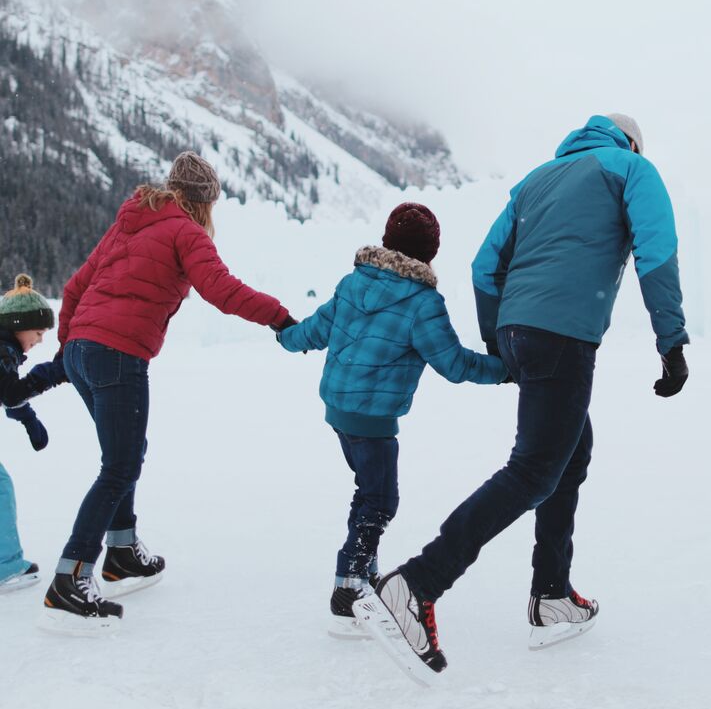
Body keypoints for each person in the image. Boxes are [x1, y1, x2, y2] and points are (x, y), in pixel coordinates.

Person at [355, 114, 690, 677]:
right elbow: (656, 249)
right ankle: (415, 584)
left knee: (570, 450)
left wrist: (500, 340)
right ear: (630, 142)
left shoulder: (535, 180)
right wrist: (671, 341)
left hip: (521, 329)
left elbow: (485, 269)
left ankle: (553, 593)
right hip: (563, 335)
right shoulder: (632, 168)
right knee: (535, 468)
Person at [41, 152, 295, 633]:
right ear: (204, 202)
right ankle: (70, 579)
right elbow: (221, 290)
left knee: (127, 454)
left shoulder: (131, 221)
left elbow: (75, 286)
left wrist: (70, 346)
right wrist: (279, 317)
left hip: (82, 351)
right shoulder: (185, 232)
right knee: (119, 466)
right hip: (116, 355)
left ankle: (120, 552)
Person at [276, 202, 507, 637]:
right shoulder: (422, 302)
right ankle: (348, 587)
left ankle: (363, 575)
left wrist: (285, 334)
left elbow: (314, 330)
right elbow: (455, 365)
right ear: (430, 253)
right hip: (373, 419)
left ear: (386, 240)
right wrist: (507, 370)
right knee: (381, 501)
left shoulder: (352, 283)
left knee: (368, 492)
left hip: (339, 411)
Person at [0, 275, 66, 594]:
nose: (40, 340)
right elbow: (10, 392)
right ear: (18, 325)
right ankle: (6, 567)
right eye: (38, 332)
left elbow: (7, 392)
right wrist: (49, 375)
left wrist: (27, 418)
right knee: (0, 487)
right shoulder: (3, 348)